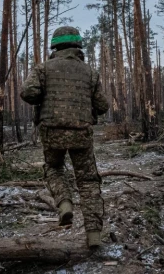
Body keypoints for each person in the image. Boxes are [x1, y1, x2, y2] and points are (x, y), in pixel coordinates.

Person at [21, 26, 110, 248]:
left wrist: (47, 95)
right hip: (81, 132)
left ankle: (65, 204)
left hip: (52, 132)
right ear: (78, 46)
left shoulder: (43, 68)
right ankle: (93, 235)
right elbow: (102, 105)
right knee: (88, 181)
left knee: (53, 168)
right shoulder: (90, 72)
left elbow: (27, 92)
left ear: (55, 46)